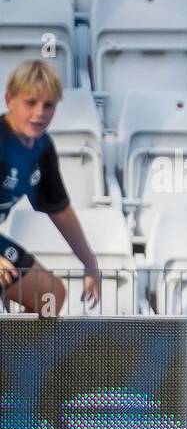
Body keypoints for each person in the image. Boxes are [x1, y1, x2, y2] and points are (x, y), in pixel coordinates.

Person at [0, 61, 101, 317]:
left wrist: (90, 264)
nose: (39, 113)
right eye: (30, 102)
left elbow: (60, 210)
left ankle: (13, 357)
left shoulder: (42, 149)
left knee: (50, 296)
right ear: (9, 100)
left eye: (48, 105)